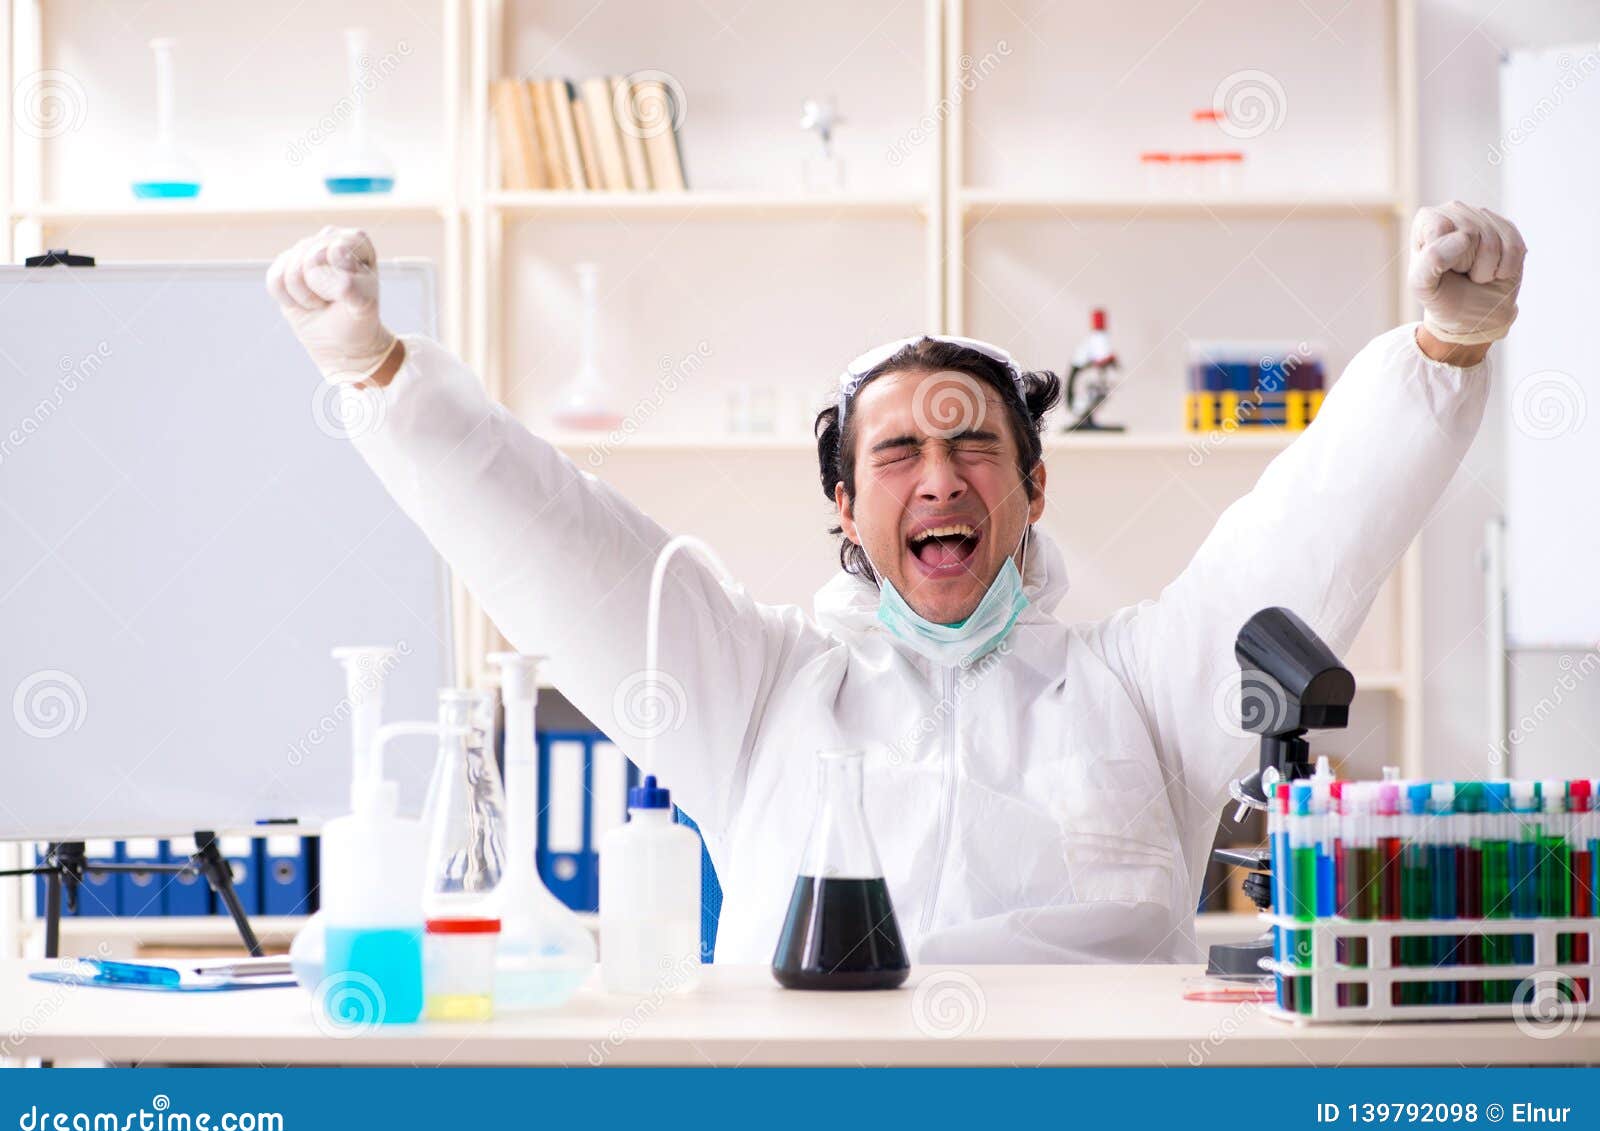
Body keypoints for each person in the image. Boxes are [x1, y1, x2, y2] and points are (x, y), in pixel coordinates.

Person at [269, 203, 1525, 965]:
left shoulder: (1138, 684)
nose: (941, 478)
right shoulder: (759, 687)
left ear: (1035, 491)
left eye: (976, 443)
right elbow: (566, 543)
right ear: (845, 509)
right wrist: (384, 381)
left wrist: (1438, 354)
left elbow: (1301, 538)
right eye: (899, 453)